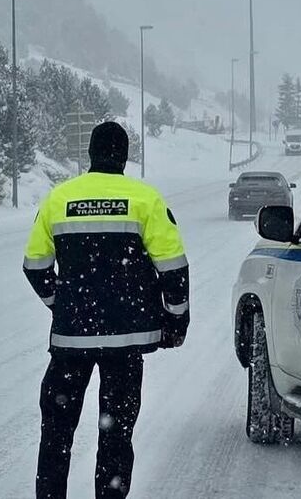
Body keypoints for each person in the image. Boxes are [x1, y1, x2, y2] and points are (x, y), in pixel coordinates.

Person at [23, 121, 190, 499]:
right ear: (125, 156)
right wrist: (176, 319)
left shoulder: (58, 199)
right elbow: (174, 267)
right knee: (116, 434)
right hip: (126, 343)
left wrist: (61, 304)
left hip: (71, 341)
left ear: (90, 154)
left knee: (56, 432)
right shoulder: (145, 199)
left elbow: (35, 266)